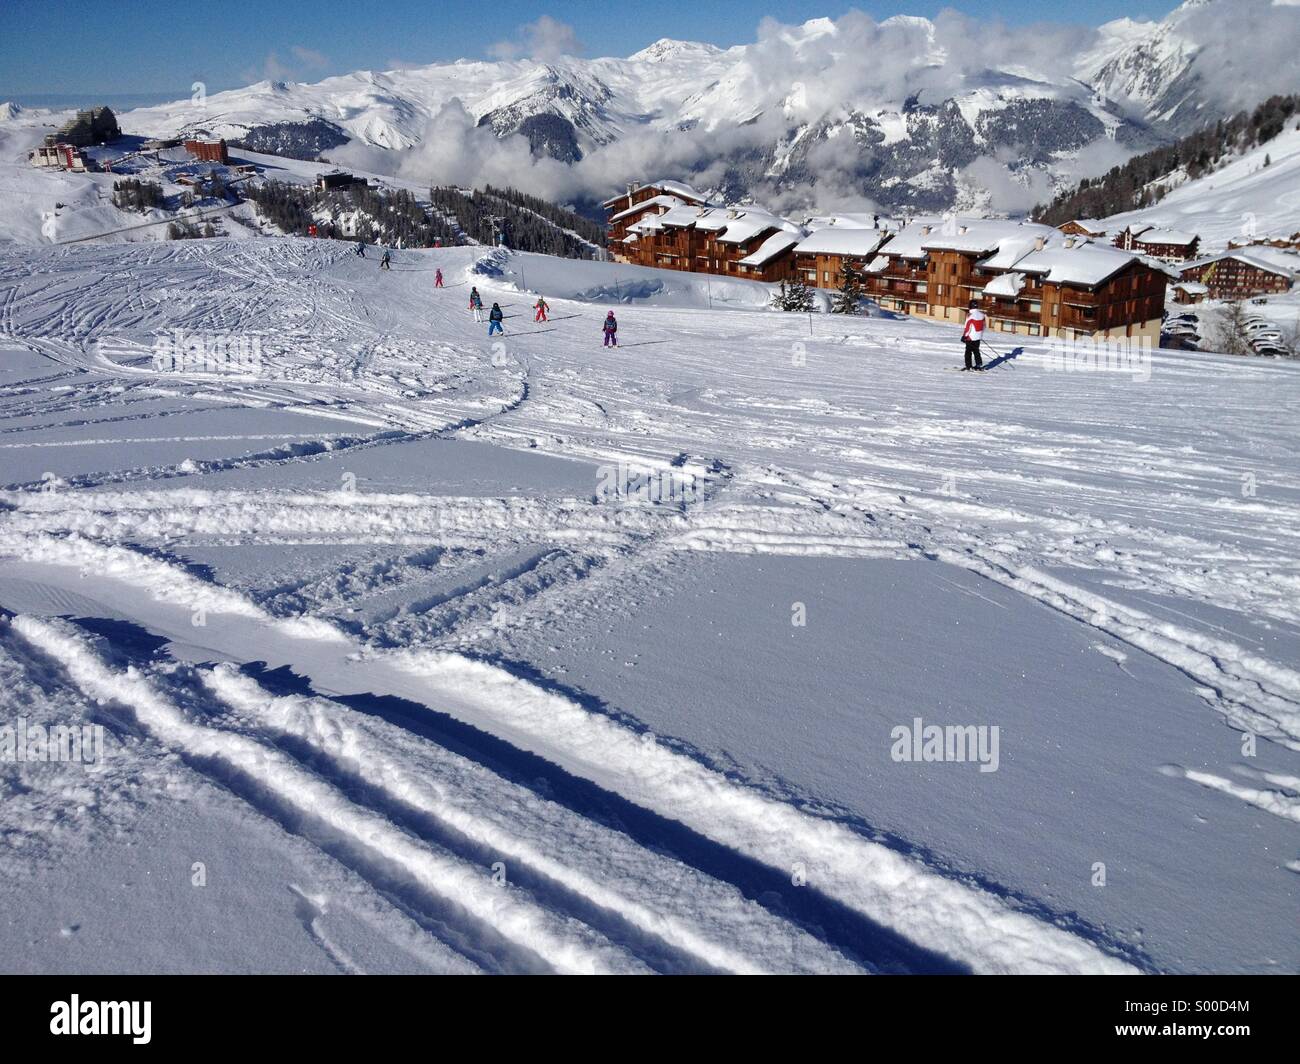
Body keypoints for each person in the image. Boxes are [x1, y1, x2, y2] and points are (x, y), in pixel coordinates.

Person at [961, 299, 985, 371]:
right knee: (976, 351)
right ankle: (978, 365)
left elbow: (968, 328)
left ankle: (968, 366)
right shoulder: (982, 315)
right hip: (978, 337)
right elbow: (984, 326)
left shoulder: (970, 316)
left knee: (968, 352)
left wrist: (964, 336)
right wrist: (980, 335)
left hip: (970, 337)